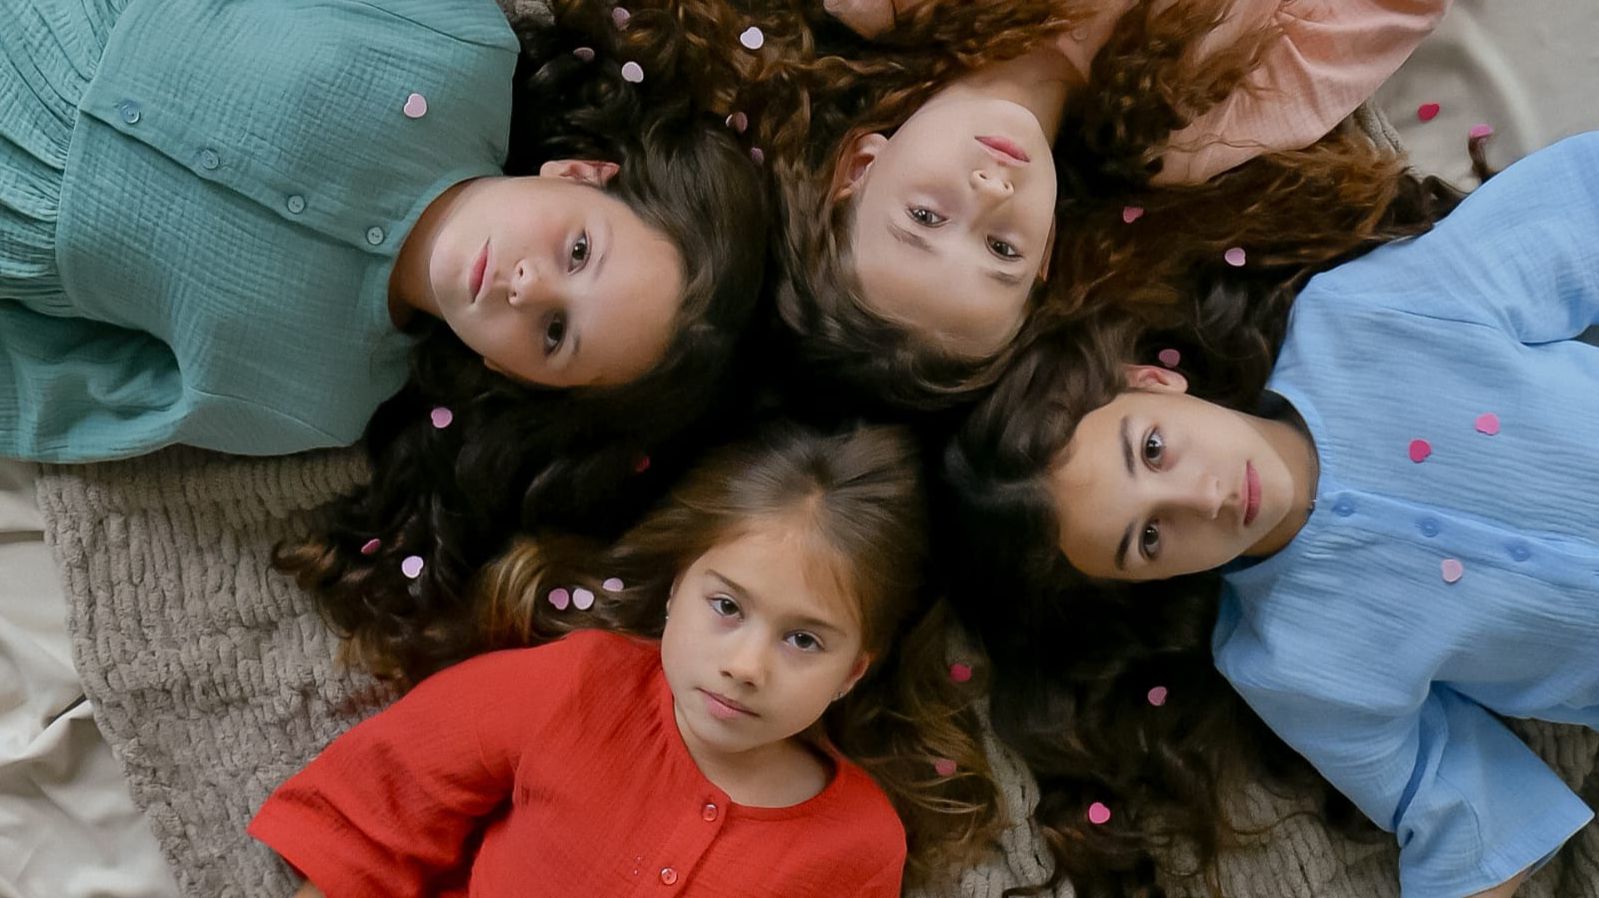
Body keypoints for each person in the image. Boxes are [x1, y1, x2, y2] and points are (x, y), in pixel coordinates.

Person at [940, 132, 1599, 898]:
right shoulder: (1288, 666)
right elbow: (1469, 817)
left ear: (1151, 381)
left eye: (1152, 449)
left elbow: (1573, 210)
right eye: (1148, 538)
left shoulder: (1364, 316)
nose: (1201, 498)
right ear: (1145, 582)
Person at [251, 422, 999, 895]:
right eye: (726, 606)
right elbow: (386, 799)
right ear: (676, 591)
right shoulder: (581, 682)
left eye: (803, 640)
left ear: (852, 672)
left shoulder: (857, 846)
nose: (747, 665)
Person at [0, 0, 766, 461]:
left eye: (555, 334)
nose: (529, 288)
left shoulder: (315, 400)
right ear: (576, 174)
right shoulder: (461, 45)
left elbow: (73, 390)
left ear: (515, 374)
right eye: (578, 251)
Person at [759, 0, 1449, 407]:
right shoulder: (1197, 130)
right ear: (1046, 253)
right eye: (1001, 249)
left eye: (925, 218)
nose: (991, 194)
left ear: (859, 166)